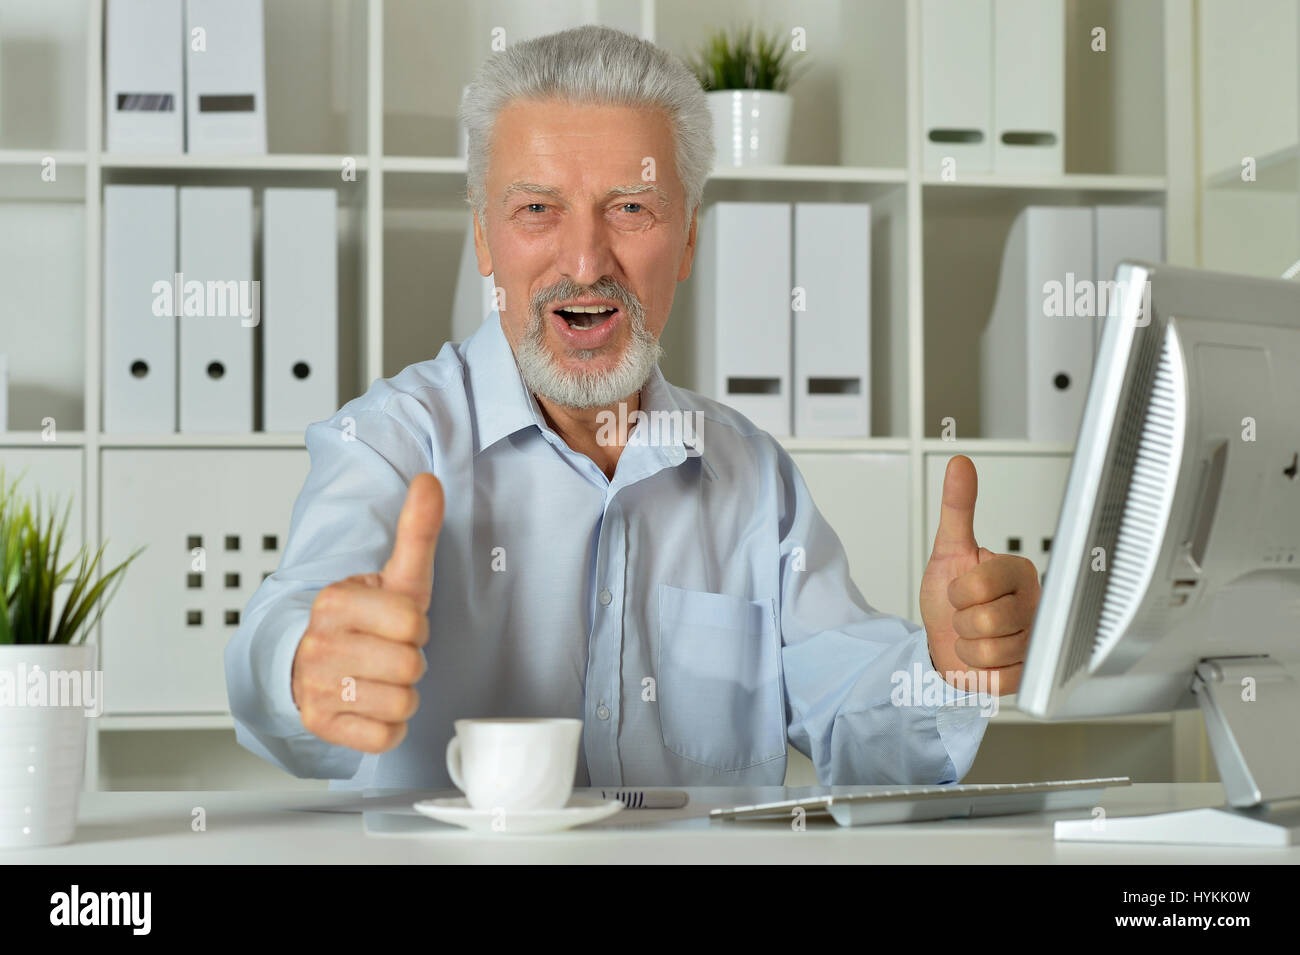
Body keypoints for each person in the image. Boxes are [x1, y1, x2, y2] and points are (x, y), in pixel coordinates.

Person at [225, 25, 1040, 790]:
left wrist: (946, 668)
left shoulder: (750, 474)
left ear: (686, 240)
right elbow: (286, 624)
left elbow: (862, 722)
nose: (585, 262)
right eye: (537, 208)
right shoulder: (388, 444)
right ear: (483, 237)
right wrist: (306, 663)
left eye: (631, 207)